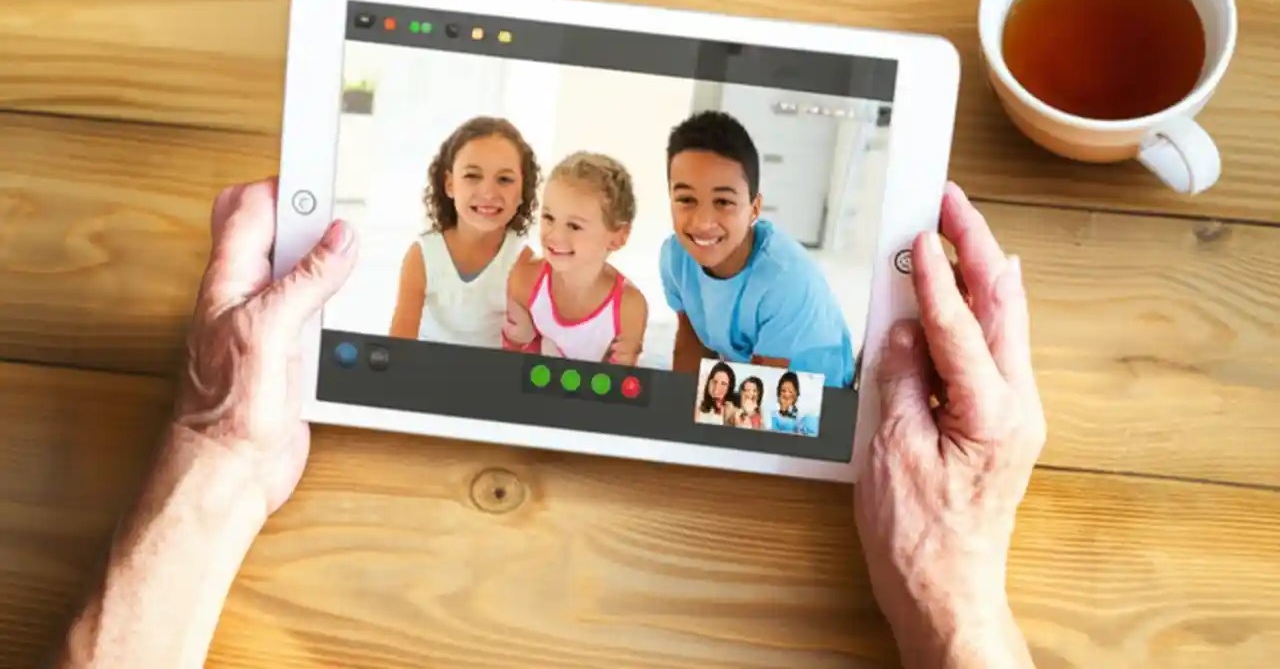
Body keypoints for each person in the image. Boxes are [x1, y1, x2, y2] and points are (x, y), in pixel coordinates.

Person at [48, 178, 1044, 669]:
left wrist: (219, 453)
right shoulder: (542, 275)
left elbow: (649, 357)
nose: (554, 238)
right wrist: (948, 585)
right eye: (550, 223)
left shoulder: (642, 297)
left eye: (579, 224)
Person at [660, 110, 855, 389]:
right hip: (749, 368)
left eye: (724, 202)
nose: (702, 222)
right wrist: (677, 402)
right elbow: (691, 341)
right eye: (686, 199)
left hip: (810, 393)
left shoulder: (785, 280)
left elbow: (760, 400)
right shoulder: (674, 256)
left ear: (754, 209)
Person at [388, 116, 539, 348]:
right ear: (449, 184)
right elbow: (398, 345)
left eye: (505, 179)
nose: (488, 192)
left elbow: (524, 351)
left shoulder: (523, 262)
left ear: (522, 190)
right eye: (472, 176)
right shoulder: (423, 255)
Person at [502, 151, 648, 365]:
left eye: (574, 226)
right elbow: (510, 362)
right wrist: (523, 340)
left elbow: (620, 382)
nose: (555, 235)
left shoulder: (628, 307)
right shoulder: (525, 279)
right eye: (549, 218)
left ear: (617, 237)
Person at [768, 371, 817, 437]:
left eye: (790, 391)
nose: (786, 395)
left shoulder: (802, 419)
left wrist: (789, 411)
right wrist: (783, 411)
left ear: (796, 395)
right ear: (779, 393)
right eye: (783, 391)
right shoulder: (772, 416)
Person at [694, 361, 739, 425]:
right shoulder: (697, 407)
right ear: (709, 382)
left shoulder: (733, 411)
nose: (716, 389)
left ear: (729, 388)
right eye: (714, 382)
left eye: (723, 384)